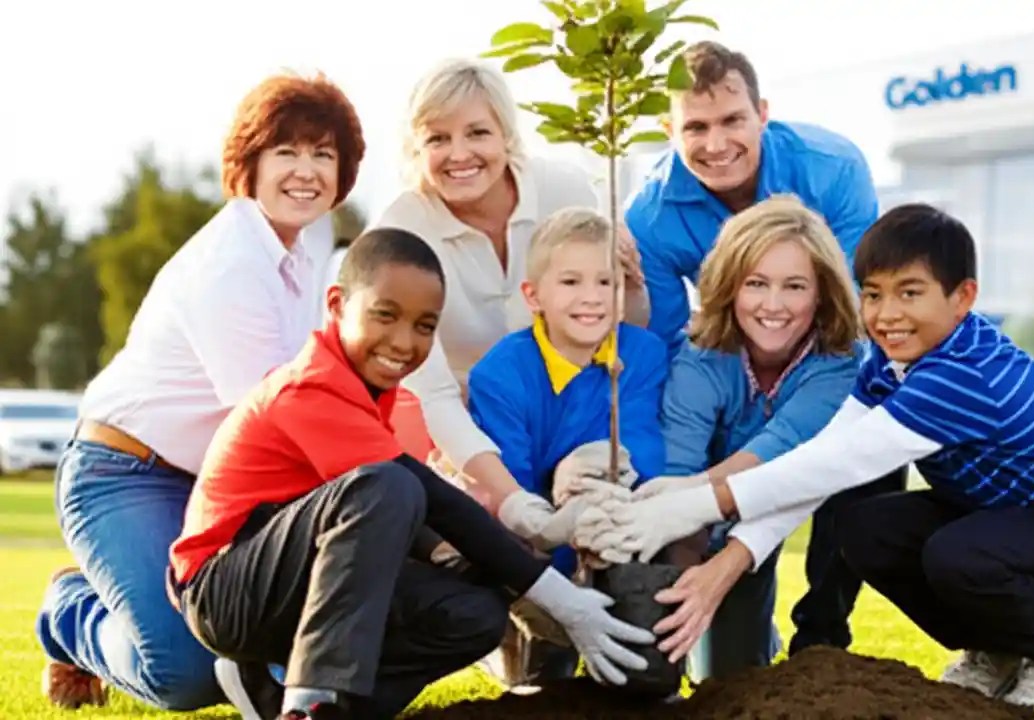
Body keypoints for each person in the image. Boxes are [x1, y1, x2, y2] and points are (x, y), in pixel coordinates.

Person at [583, 203, 1034, 716]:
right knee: (864, 527)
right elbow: (820, 460)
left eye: (910, 293)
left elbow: (842, 463)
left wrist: (692, 507)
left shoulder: (964, 373)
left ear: (962, 297)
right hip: (991, 514)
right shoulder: (889, 364)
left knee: (955, 555)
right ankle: (996, 647)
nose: (887, 314)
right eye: (874, 294)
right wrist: (694, 511)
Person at [168, 228, 653, 720]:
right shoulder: (309, 387)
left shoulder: (380, 395)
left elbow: (410, 523)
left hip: (296, 584)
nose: (404, 342)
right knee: (390, 484)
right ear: (337, 305)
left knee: (475, 616)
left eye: (425, 326)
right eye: (385, 315)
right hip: (223, 587)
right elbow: (423, 495)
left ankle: (281, 698)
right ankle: (311, 702)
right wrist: (559, 596)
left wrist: (476, 568)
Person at [35, 71, 365, 711]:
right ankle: (68, 610)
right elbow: (274, 422)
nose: (306, 171)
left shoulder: (304, 249)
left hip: (208, 479)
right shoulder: (233, 263)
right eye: (286, 152)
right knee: (184, 671)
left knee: (255, 647)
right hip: (122, 471)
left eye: (323, 154)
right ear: (251, 162)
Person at [623, 40, 902, 655]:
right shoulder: (649, 214)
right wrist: (682, 490)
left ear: (763, 112)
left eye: (732, 120)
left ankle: (821, 638)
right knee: (728, 666)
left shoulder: (832, 166)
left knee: (862, 462)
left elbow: (857, 312)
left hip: (830, 362)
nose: (716, 143)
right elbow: (666, 342)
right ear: (668, 130)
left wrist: (710, 490)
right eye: (695, 127)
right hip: (727, 370)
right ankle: (710, 603)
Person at [369, 57, 649, 548]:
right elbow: (433, 396)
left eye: (477, 132)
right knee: (489, 546)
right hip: (459, 421)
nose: (459, 154)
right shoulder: (400, 235)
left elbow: (621, 326)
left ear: (506, 135)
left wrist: (633, 283)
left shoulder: (565, 192)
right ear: (417, 149)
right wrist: (514, 501)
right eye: (437, 138)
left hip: (563, 407)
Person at [633, 195, 863, 682]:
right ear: (730, 288)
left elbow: (780, 454)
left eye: (794, 286)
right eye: (756, 284)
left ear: (820, 294)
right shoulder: (701, 357)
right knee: (664, 667)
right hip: (701, 520)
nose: (773, 305)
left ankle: (819, 638)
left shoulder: (838, 364)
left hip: (773, 508)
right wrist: (686, 590)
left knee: (737, 679)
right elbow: (679, 475)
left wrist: (717, 550)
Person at [465, 206, 669, 689]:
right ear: (534, 296)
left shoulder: (641, 354)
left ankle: (643, 671)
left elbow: (644, 447)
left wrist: (605, 478)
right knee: (546, 681)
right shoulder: (500, 374)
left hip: (617, 524)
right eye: (571, 282)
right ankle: (537, 643)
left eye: (606, 283)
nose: (591, 298)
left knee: (632, 670)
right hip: (538, 541)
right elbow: (510, 488)